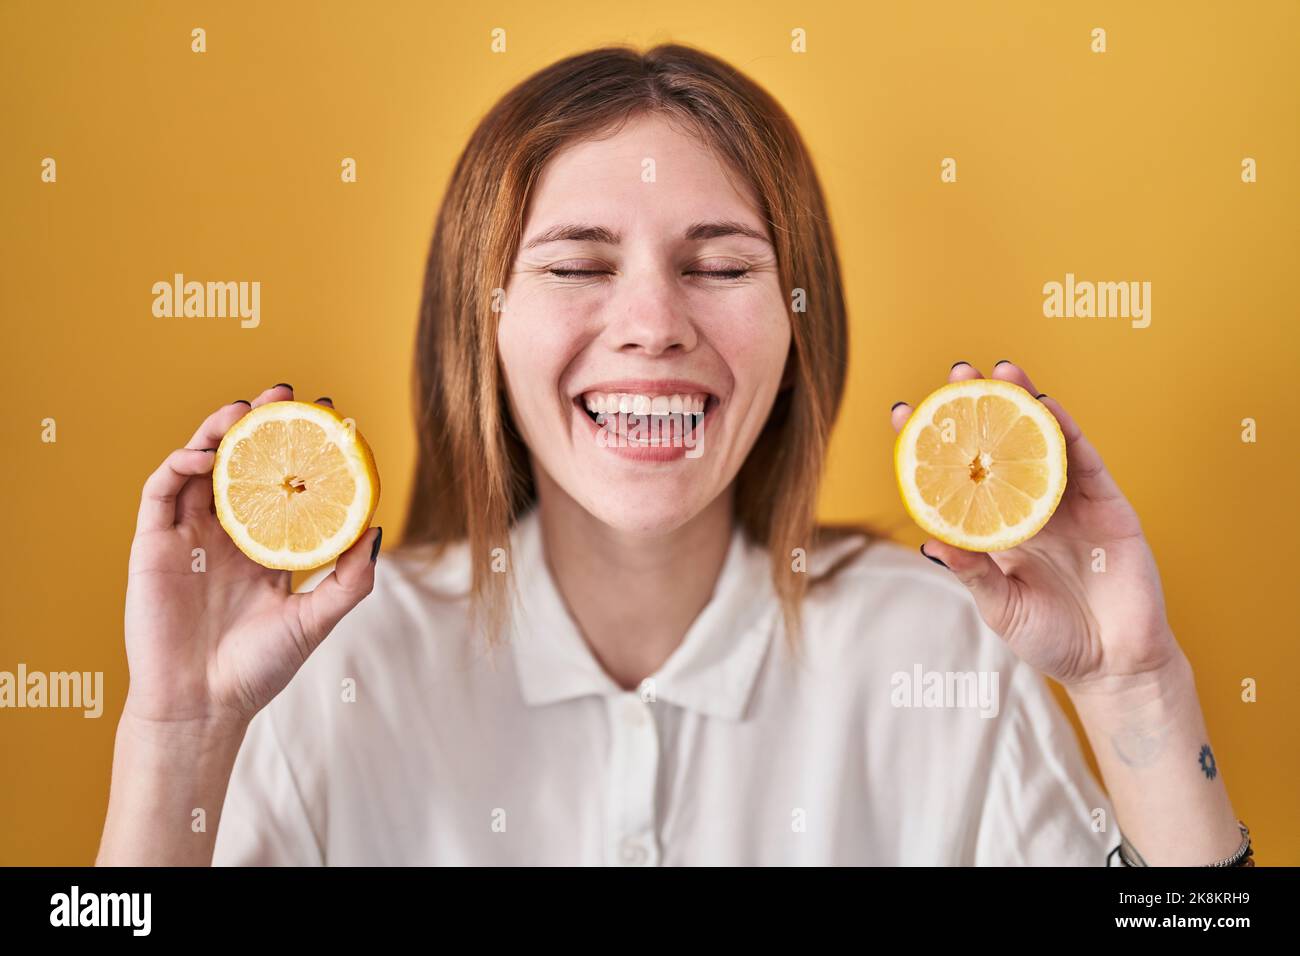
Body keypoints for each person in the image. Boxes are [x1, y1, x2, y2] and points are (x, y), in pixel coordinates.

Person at [97, 44, 1249, 866]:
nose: (652, 322)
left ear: (800, 328)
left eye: (719, 264)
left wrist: (1135, 688)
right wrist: (178, 742)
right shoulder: (329, 669)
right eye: (578, 265)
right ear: (478, 324)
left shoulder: (945, 649)